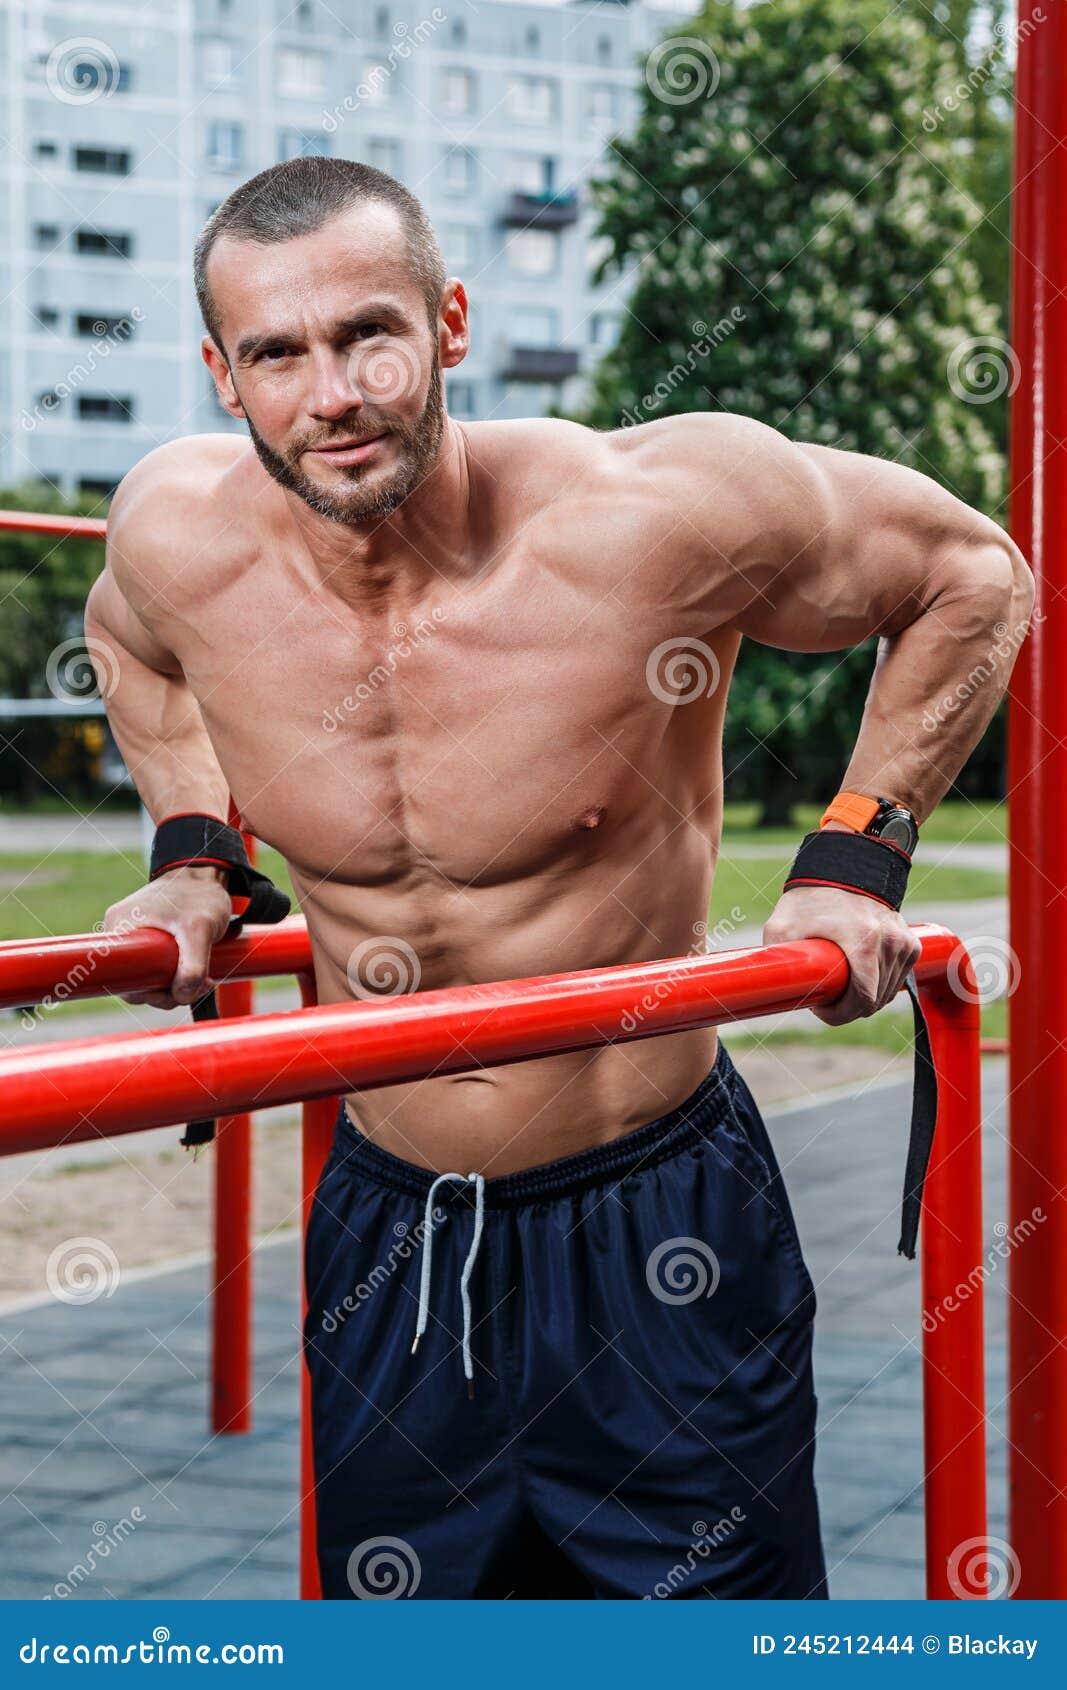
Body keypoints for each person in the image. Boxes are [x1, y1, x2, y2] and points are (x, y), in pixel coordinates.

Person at [90, 158, 1033, 1599]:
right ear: (225, 376)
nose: (331, 393)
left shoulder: (650, 516)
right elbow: (129, 641)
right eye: (278, 353)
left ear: (452, 322)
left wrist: (857, 854)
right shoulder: (175, 537)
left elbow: (972, 572)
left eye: (368, 334)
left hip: (659, 1225)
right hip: (390, 1235)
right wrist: (193, 857)